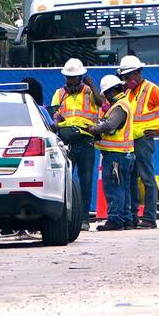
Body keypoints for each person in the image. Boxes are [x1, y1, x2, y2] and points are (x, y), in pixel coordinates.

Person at [120, 55, 159, 230]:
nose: (127, 80)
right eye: (125, 77)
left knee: (147, 179)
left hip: (143, 140)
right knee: (132, 179)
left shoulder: (151, 89)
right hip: (130, 140)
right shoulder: (128, 92)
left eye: (128, 77)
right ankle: (134, 217)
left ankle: (150, 218)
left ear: (137, 73)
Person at [49, 59, 102, 231]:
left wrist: (92, 85)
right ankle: (67, 218)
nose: (70, 82)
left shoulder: (89, 92)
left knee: (86, 181)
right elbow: (54, 114)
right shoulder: (59, 93)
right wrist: (56, 121)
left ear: (81, 77)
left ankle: (84, 219)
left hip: (86, 141)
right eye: (68, 78)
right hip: (66, 142)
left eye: (74, 78)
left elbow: (101, 103)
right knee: (65, 181)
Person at [90, 74, 135, 231]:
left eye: (107, 94)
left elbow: (110, 126)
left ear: (111, 91)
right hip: (123, 154)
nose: (106, 98)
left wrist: (93, 129)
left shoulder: (120, 106)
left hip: (116, 154)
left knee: (114, 187)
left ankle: (115, 219)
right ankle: (127, 219)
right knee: (123, 187)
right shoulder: (122, 104)